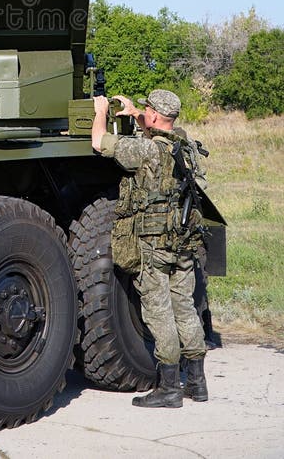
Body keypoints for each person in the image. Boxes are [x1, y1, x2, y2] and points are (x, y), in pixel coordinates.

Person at [91, 88, 208, 408]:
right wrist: (136, 114)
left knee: (158, 313)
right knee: (184, 308)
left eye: (146, 111)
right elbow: (160, 137)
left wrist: (101, 111)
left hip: (154, 244)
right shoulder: (186, 149)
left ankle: (169, 388)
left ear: (155, 115)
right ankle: (197, 383)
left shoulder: (144, 151)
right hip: (184, 242)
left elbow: (99, 142)